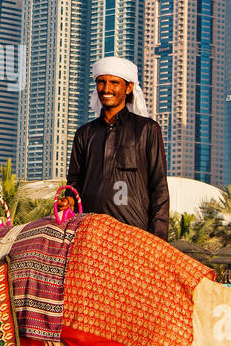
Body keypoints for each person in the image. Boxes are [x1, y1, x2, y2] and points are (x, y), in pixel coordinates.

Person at [60, 57, 170, 239]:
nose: (106, 89)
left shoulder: (147, 129)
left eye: (114, 82)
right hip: (90, 233)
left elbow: (159, 187)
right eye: (101, 82)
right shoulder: (84, 133)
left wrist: (158, 240)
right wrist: (70, 199)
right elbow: (74, 181)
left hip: (134, 234)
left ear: (128, 88)